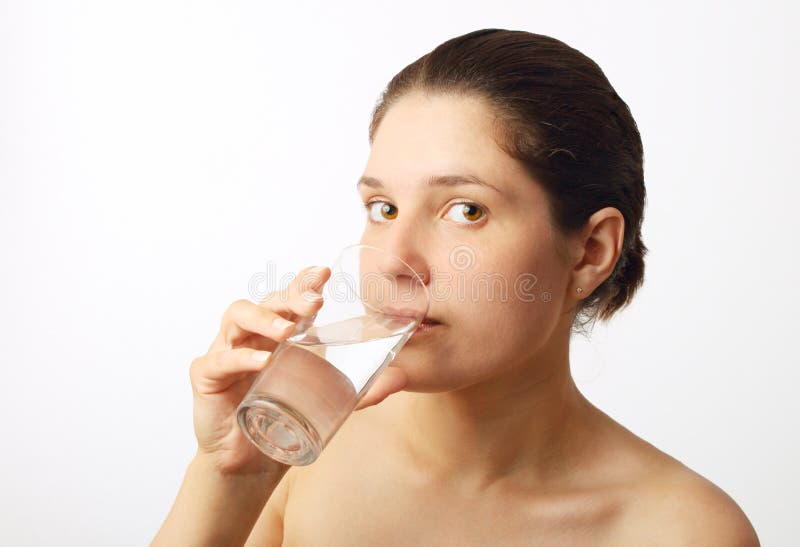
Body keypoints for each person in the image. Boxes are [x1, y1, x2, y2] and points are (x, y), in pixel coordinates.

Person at [152, 28, 760, 546]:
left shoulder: (679, 530)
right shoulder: (297, 455)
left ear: (590, 252)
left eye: (465, 210)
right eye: (383, 207)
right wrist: (228, 479)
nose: (392, 261)